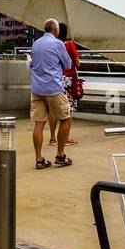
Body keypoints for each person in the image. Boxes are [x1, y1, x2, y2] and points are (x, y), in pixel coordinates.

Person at [28, 18, 72, 169]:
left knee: (39, 123)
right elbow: (67, 64)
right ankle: (60, 155)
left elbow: (32, 64)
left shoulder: (36, 44)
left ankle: (39, 159)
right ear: (55, 30)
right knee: (66, 118)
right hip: (53, 88)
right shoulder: (58, 43)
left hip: (37, 89)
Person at [50, 22, 81, 146]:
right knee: (68, 110)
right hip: (68, 79)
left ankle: (52, 138)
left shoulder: (53, 45)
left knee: (53, 110)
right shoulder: (69, 44)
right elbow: (77, 63)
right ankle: (67, 138)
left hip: (56, 79)